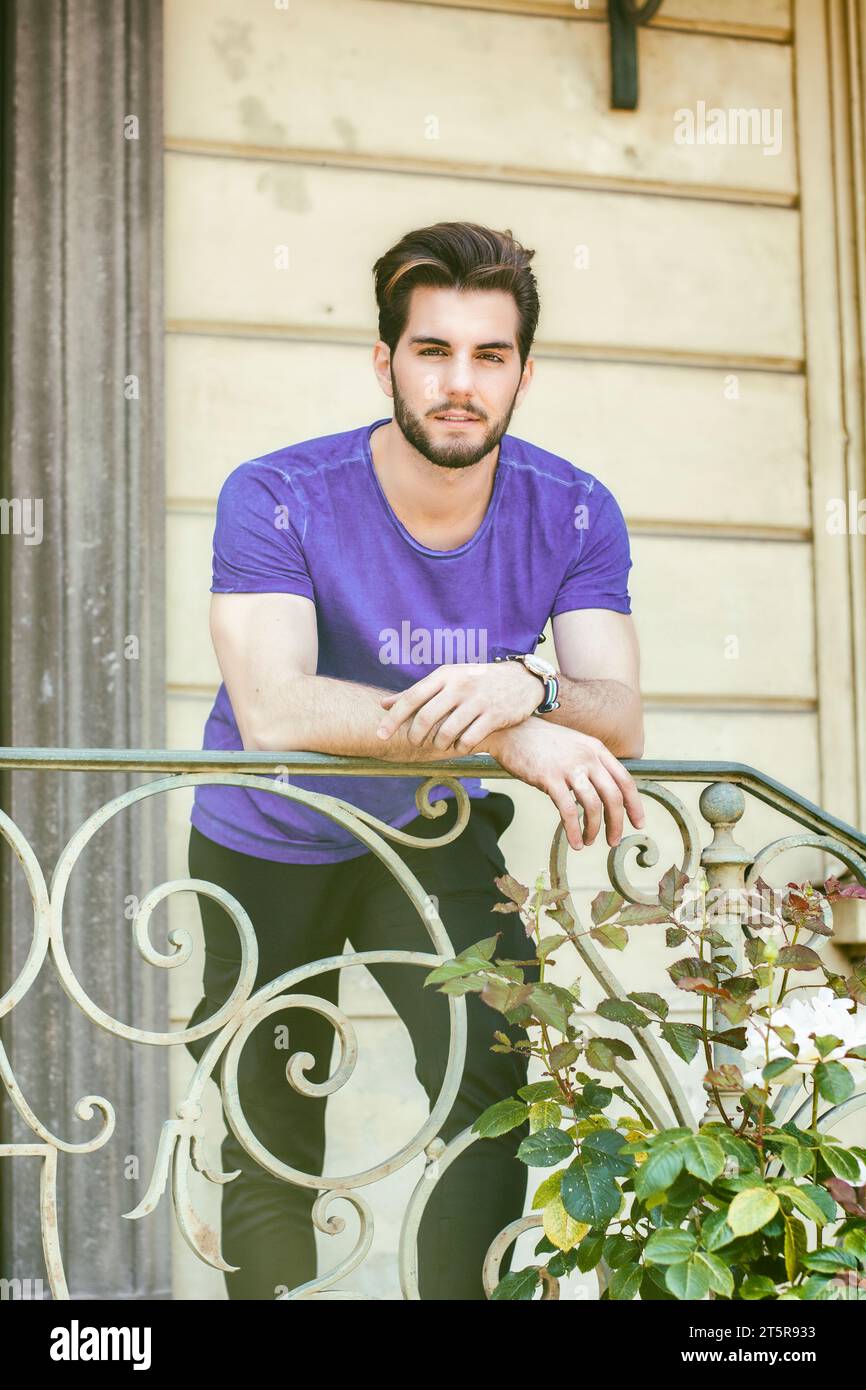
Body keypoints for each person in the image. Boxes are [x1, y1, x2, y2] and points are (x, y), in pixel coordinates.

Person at [184, 220, 645, 1300]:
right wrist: (500, 728)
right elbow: (274, 707)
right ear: (383, 359)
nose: (458, 383)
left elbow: (617, 712)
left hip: (429, 825)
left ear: (523, 373)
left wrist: (530, 686)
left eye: (488, 356)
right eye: (431, 350)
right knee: (269, 1123)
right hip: (265, 834)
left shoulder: (572, 507)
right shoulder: (277, 492)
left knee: (493, 1083)